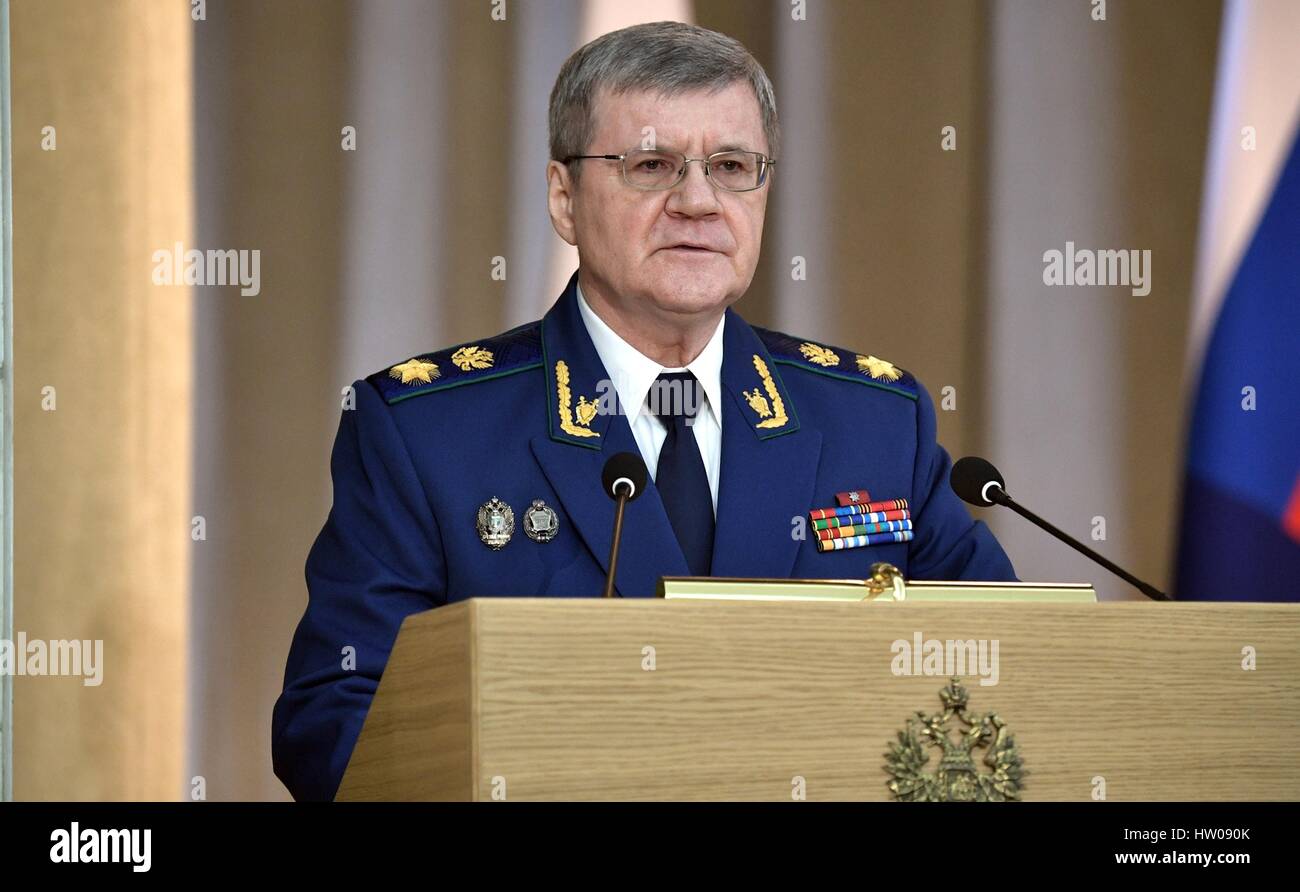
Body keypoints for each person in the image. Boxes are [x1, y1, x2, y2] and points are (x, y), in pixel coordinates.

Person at [272, 21, 1016, 801]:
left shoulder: (876, 420)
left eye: (732, 166)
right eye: (651, 165)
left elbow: (1009, 666)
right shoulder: (426, 430)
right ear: (564, 198)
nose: (697, 201)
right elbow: (334, 717)